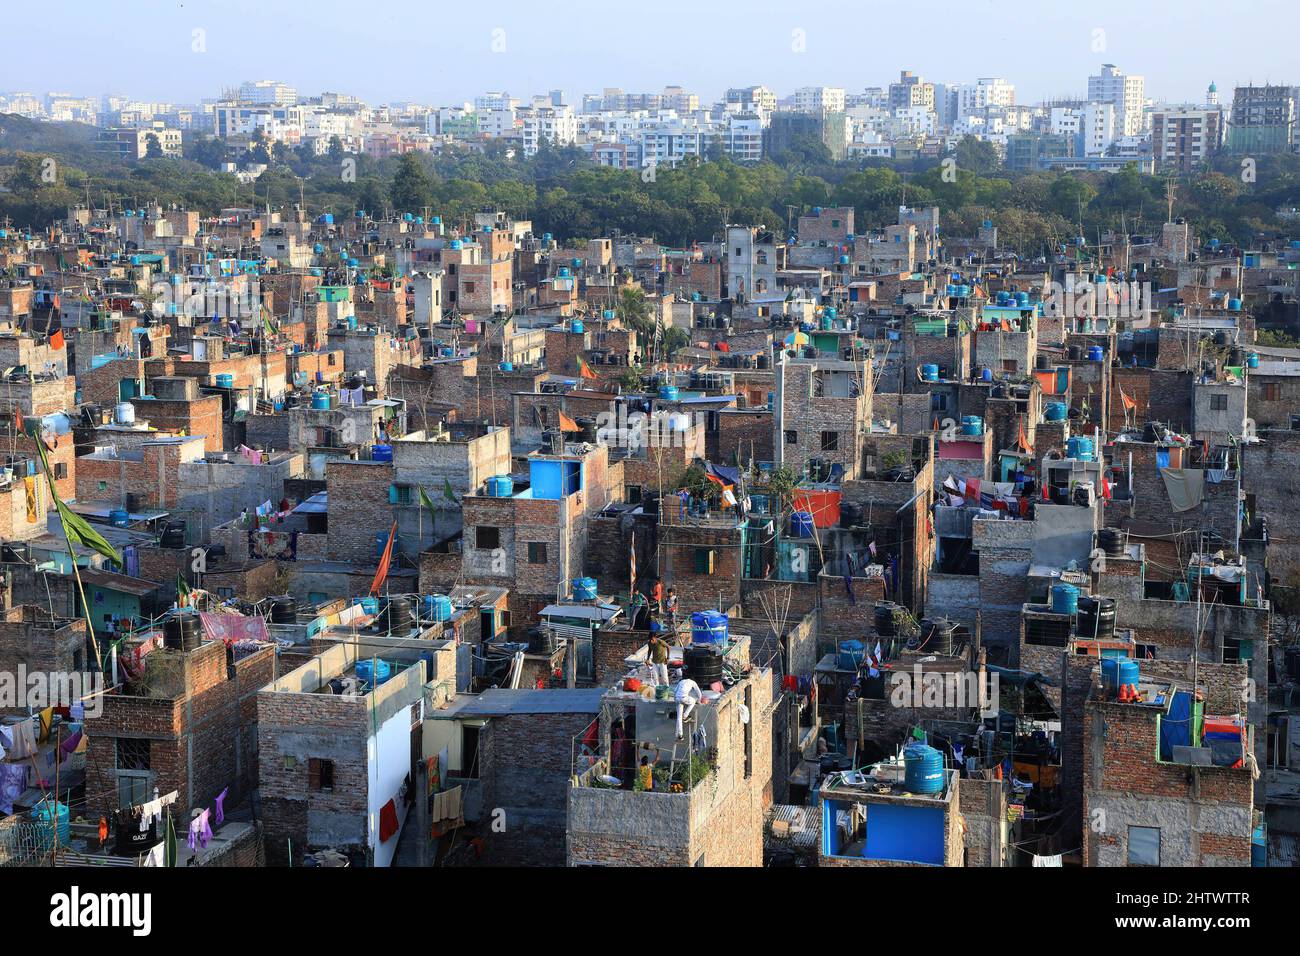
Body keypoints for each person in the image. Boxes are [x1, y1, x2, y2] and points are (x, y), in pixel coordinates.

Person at [674, 676, 702, 740]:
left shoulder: (681, 681)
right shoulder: (693, 682)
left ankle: (680, 735)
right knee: (693, 701)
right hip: (683, 697)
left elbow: (675, 690)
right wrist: (699, 700)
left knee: (679, 717)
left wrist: (676, 699)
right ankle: (685, 715)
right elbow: (698, 692)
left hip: (677, 698)